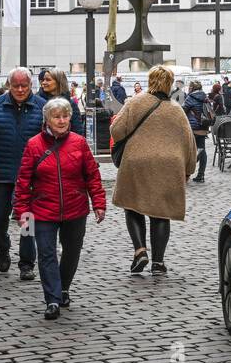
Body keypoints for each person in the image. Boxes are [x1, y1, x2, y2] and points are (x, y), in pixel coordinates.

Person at [14, 98, 106, 320]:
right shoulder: (34, 145)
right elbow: (24, 180)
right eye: (57, 117)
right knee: (46, 254)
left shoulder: (79, 143)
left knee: (72, 251)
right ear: (47, 119)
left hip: (75, 207)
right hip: (43, 208)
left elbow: (92, 175)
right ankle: (52, 299)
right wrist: (22, 212)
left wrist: (99, 203)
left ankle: (63, 287)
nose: (62, 120)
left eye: (65, 116)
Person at [110, 65, 196, 276]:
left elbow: (116, 130)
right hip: (168, 165)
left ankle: (140, 251)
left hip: (136, 162)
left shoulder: (136, 101)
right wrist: (189, 169)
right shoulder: (176, 110)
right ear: (169, 84)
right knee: (161, 213)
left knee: (132, 206)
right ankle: (158, 262)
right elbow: (189, 142)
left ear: (150, 81)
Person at [0, 68, 45, 280]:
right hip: (2, 173)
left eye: (24, 86)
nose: (20, 90)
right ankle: (3, 248)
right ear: (9, 85)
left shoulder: (41, 107)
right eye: (16, 86)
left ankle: (26, 262)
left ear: (31, 85)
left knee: (27, 218)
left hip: (31, 175)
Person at [35, 68, 84, 134]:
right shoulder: (36, 101)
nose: (43, 82)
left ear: (58, 82)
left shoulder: (71, 104)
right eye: (43, 80)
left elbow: (78, 131)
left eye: (48, 80)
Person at [182, 80, 213, 183]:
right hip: (203, 127)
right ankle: (201, 175)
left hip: (193, 128)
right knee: (202, 149)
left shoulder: (190, 98)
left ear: (192, 88)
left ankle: (187, 173)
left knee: (189, 151)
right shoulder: (205, 97)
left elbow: (183, 111)